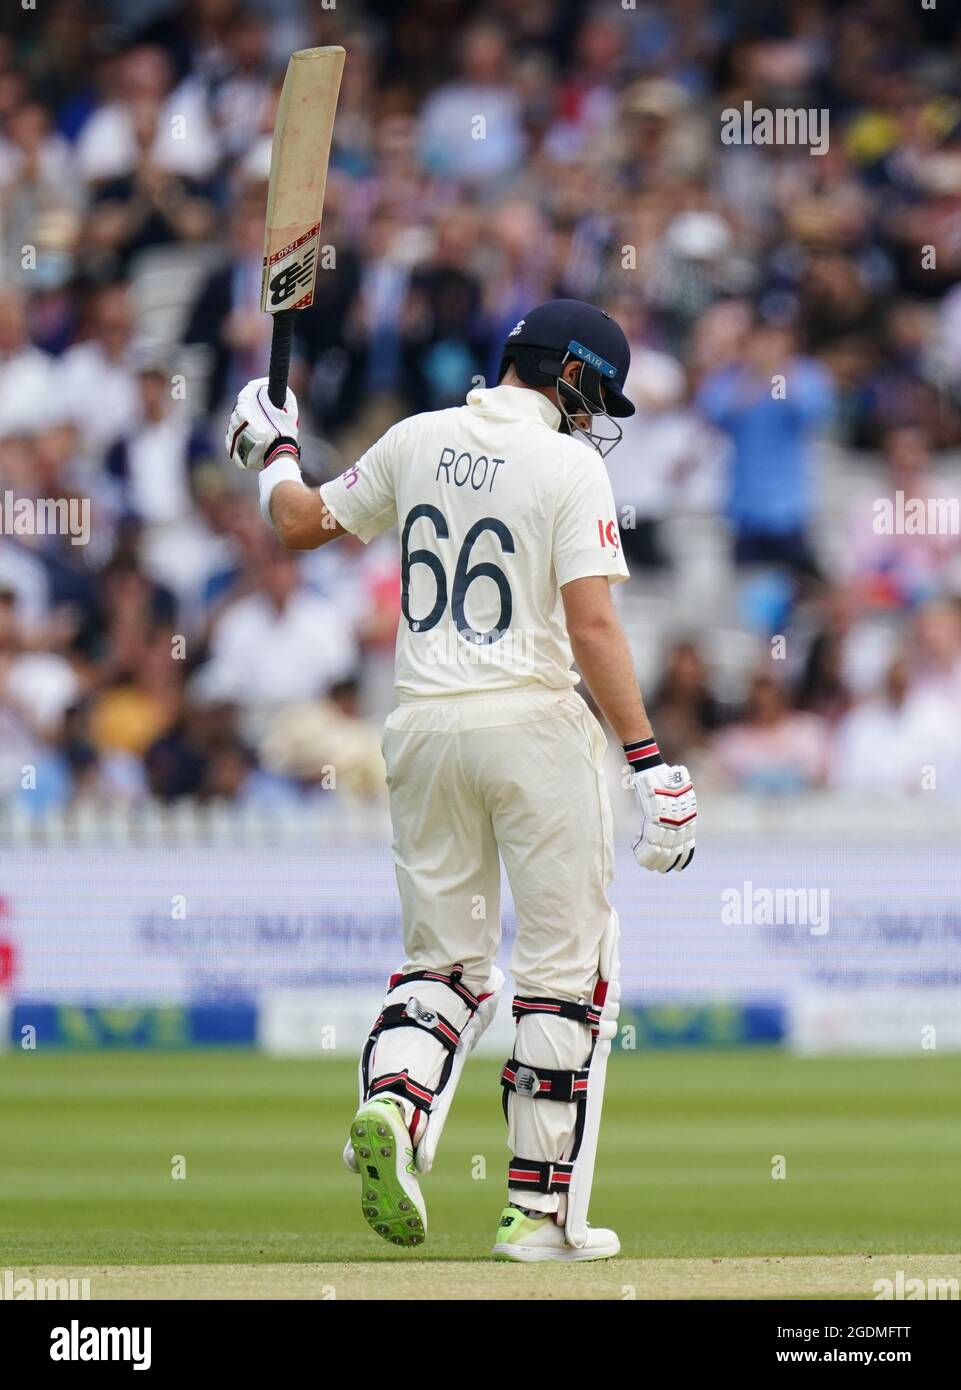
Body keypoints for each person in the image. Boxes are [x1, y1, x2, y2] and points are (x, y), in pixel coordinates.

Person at [224, 299, 697, 1262]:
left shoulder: (417, 439)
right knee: (566, 972)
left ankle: (393, 1111)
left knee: (442, 965)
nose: (595, 411)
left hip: (423, 726)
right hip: (531, 723)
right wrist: (648, 762)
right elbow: (593, 626)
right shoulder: (566, 466)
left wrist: (273, 454)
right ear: (565, 372)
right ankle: (536, 1216)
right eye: (595, 389)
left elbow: (304, 524)